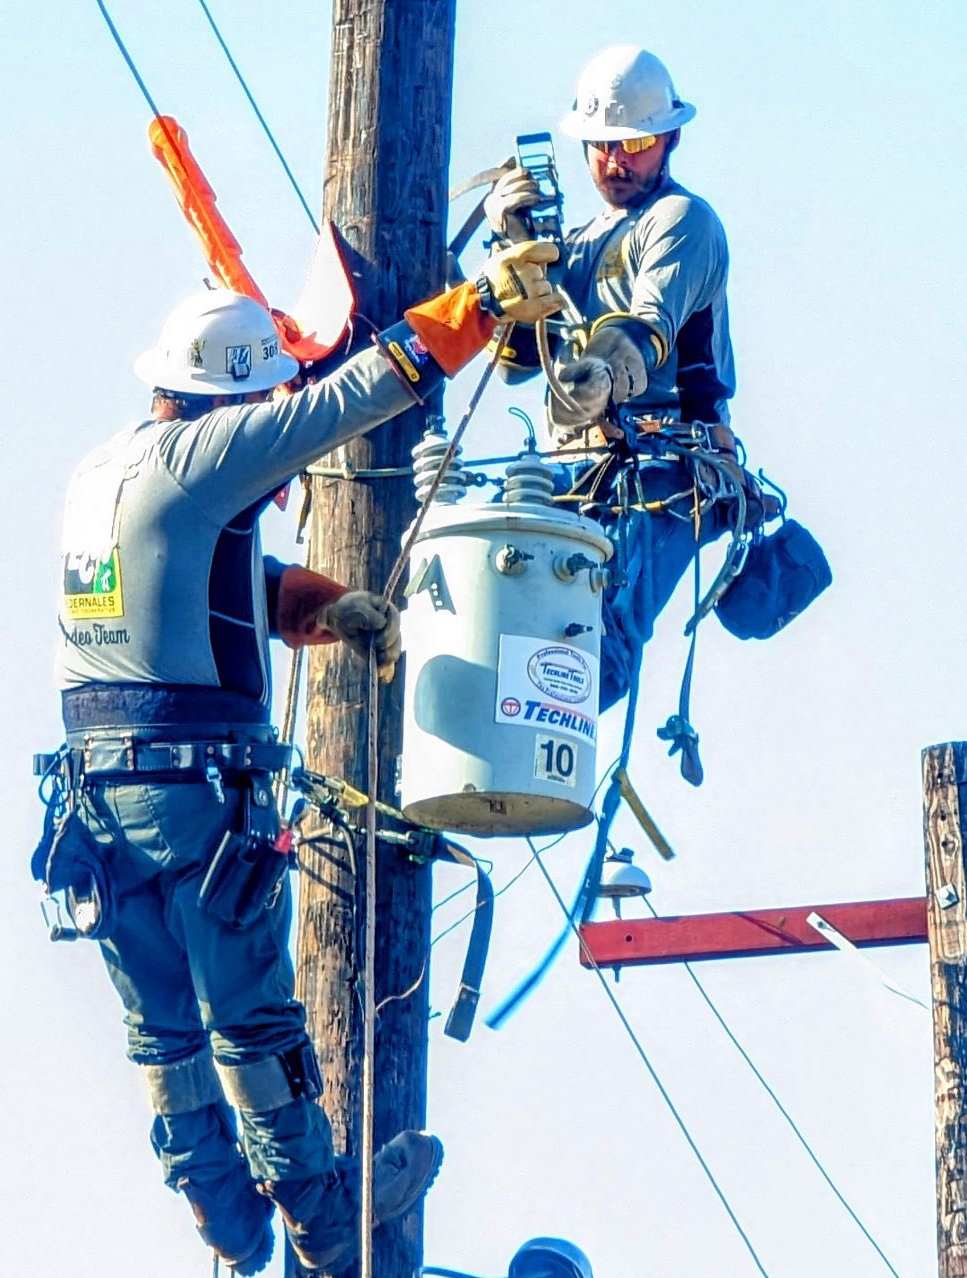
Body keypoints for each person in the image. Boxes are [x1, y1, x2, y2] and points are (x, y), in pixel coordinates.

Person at [37, 242, 562, 1274]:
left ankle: (230, 1230)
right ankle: (328, 1224)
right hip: (196, 802)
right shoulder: (207, 452)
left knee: (167, 1041)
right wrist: (480, 305)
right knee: (253, 1029)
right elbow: (350, 399)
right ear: (225, 400)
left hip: (97, 817)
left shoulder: (102, 472)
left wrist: (319, 608)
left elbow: (189, 582)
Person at [484, 45, 743, 716]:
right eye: (602, 145)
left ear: (672, 138)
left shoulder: (682, 223)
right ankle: (499, 765)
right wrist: (513, 261)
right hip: (577, 466)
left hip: (663, 467)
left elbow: (644, 328)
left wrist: (601, 373)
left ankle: (536, 771)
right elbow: (514, 363)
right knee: (508, 614)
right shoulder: (578, 241)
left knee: (599, 639)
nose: (614, 162)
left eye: (636, 144)